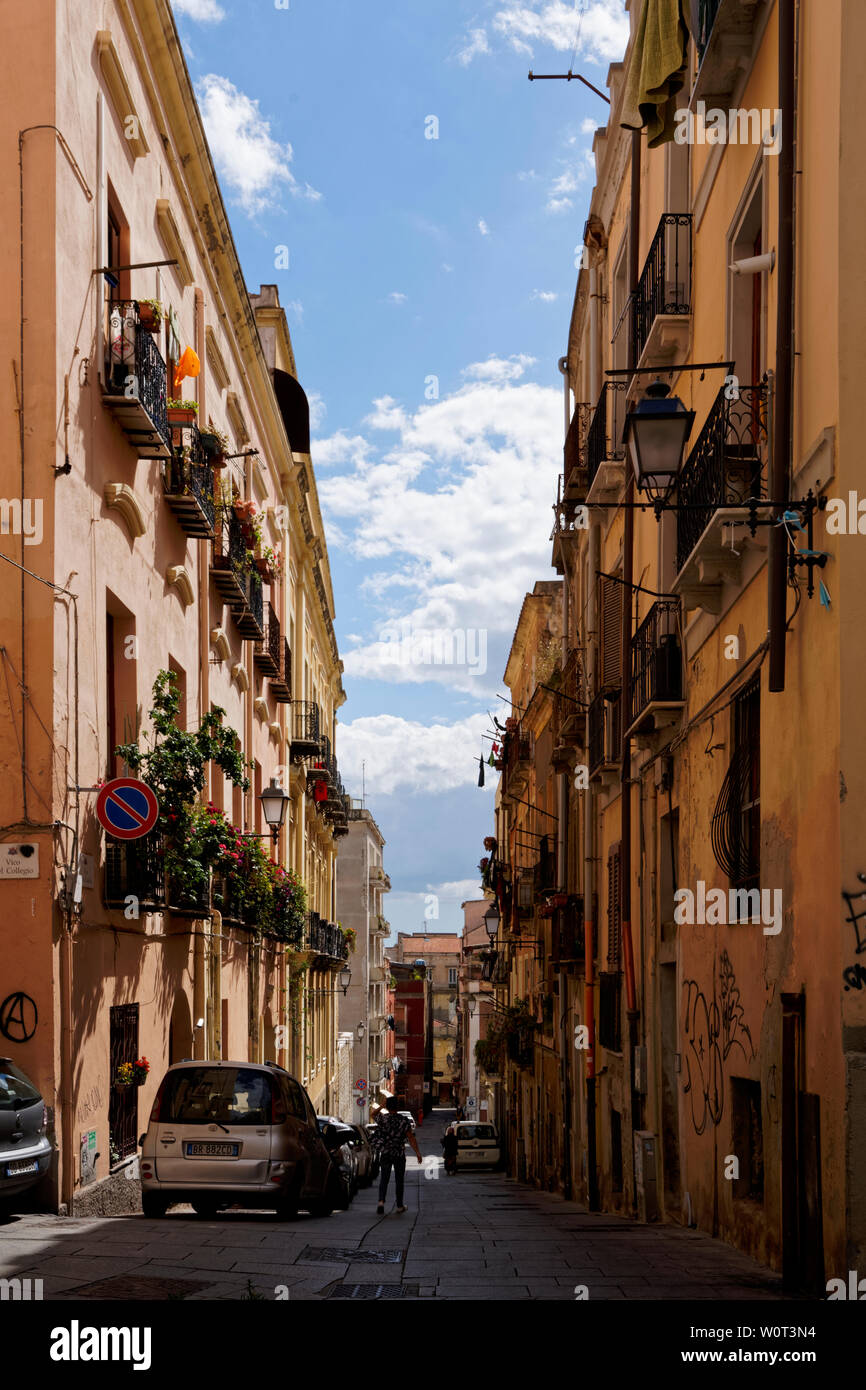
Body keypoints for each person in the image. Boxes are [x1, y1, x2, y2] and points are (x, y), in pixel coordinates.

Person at [374, 1096, 422, 1213]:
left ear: (387, 1106)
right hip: (399, 1153)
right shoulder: (403, 1120)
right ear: (398, 1106)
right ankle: (399, 1206)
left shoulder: (383, 1119)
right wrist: (417, 1153)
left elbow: (373, 1114)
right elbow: (410, 1137)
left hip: (385, 1152)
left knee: (384, 1178)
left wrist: (381, 1105)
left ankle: (381, 1202)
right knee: (399, 1180)